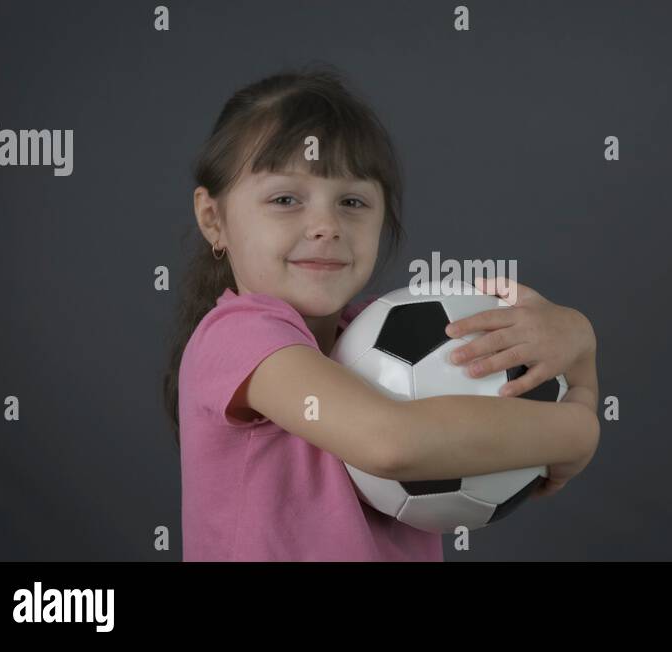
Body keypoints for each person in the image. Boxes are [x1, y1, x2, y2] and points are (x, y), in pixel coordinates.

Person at [162, 64, 600, 562]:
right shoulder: (237, 335)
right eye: (286, 199)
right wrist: (578, 431)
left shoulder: (393, 331)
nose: (326, 225)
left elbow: (513, 403)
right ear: (212, 219)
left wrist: (579, 346)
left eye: (352, 201)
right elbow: (391, 443)